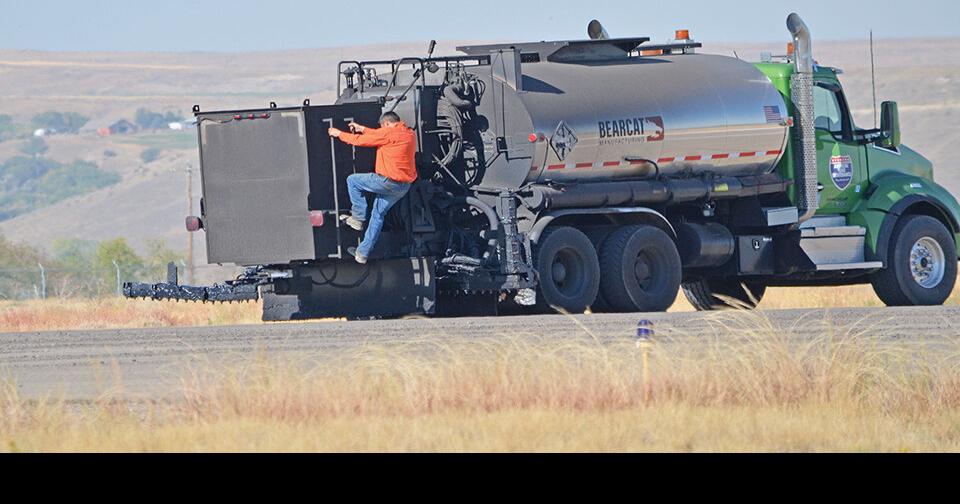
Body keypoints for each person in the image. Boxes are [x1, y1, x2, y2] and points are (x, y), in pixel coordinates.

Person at [328, 112, 417, 264]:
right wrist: (362, 128)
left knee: (353, 181)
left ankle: (358, 218)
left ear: (386, 124)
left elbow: (359, 141)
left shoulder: (388, 133)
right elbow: (378, 135)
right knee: (378, 215)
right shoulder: (409, 133)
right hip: (403, 187)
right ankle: (362, 253)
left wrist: (338, 134)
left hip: (387, 182)